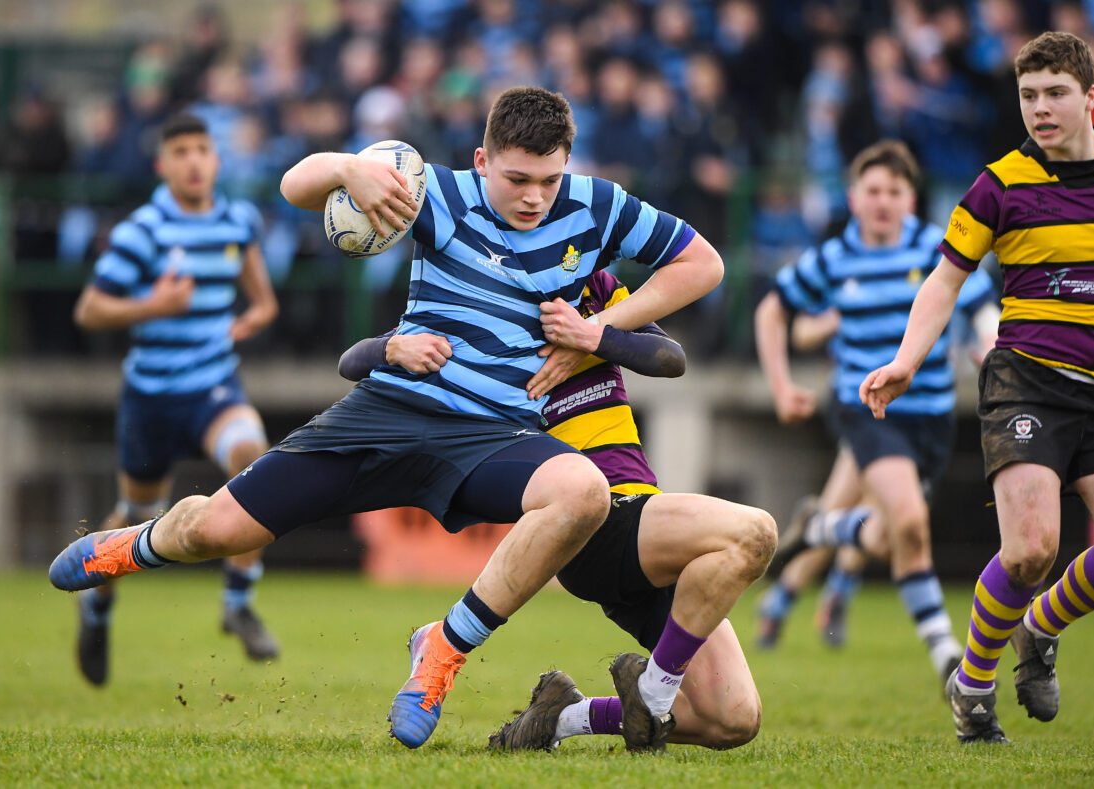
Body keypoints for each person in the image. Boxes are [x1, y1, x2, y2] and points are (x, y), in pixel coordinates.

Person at [49, 86, 724, 749]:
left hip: (494, 435)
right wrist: (348, 168)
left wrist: (599, 331)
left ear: (567, 167)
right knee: (214, 531)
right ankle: (128, 547)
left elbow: (702, 264)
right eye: (517, 179)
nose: (533, 197)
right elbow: (294, 186)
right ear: (482, 161)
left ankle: (442, 650)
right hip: (389, 410)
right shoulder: (439, 193)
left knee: (582, 491)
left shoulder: (597, 206)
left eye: (549, 181)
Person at [339, 268, 776, 752]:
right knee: (752, 533)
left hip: (647, 528)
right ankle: (652, 695)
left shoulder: (598, 287)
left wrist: (590, 336)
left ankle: (561, 717)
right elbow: (352, 361)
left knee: (732, 720)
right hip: (593, 517)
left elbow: (671, 358)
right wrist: (393, 348)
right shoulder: (477, 296)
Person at [861, 32, 1094, 745]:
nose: (1040, 108)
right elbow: (944, 281)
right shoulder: (999, 184)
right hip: (1027, 385)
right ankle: (974, 687)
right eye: (1028, 95)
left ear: (1090, 97)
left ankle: (1040, 626)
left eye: (1055, 94)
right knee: (1030, 551)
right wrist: (906, 360)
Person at [754, 140, 998, 683]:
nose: (883, 200)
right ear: (853, 198)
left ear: (911, 198)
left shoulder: (935, 249)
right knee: (907, 520)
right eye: (873, 190)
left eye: (894, 191)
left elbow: (983, 302)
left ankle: (820, 531)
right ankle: (946, 657)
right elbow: (775, 311)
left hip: (931, 417)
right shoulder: (834, 258)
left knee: (891, 534)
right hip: (866, 410)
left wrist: (990, 343)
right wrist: (781, 385)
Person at [70, 112, 281, 686]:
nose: (193, 162)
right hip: (152, 398)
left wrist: (254, 317)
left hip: (213, 388)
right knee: (138, 518)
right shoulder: (142, 232)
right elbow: (89, 309)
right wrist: (153, 307)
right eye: (180, 152)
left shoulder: (238, 221)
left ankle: (238, 601)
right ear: (162, 165)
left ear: (217, 160)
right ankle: (96, 604)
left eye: (202, 150)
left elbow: (263, 300)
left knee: (253, 459)